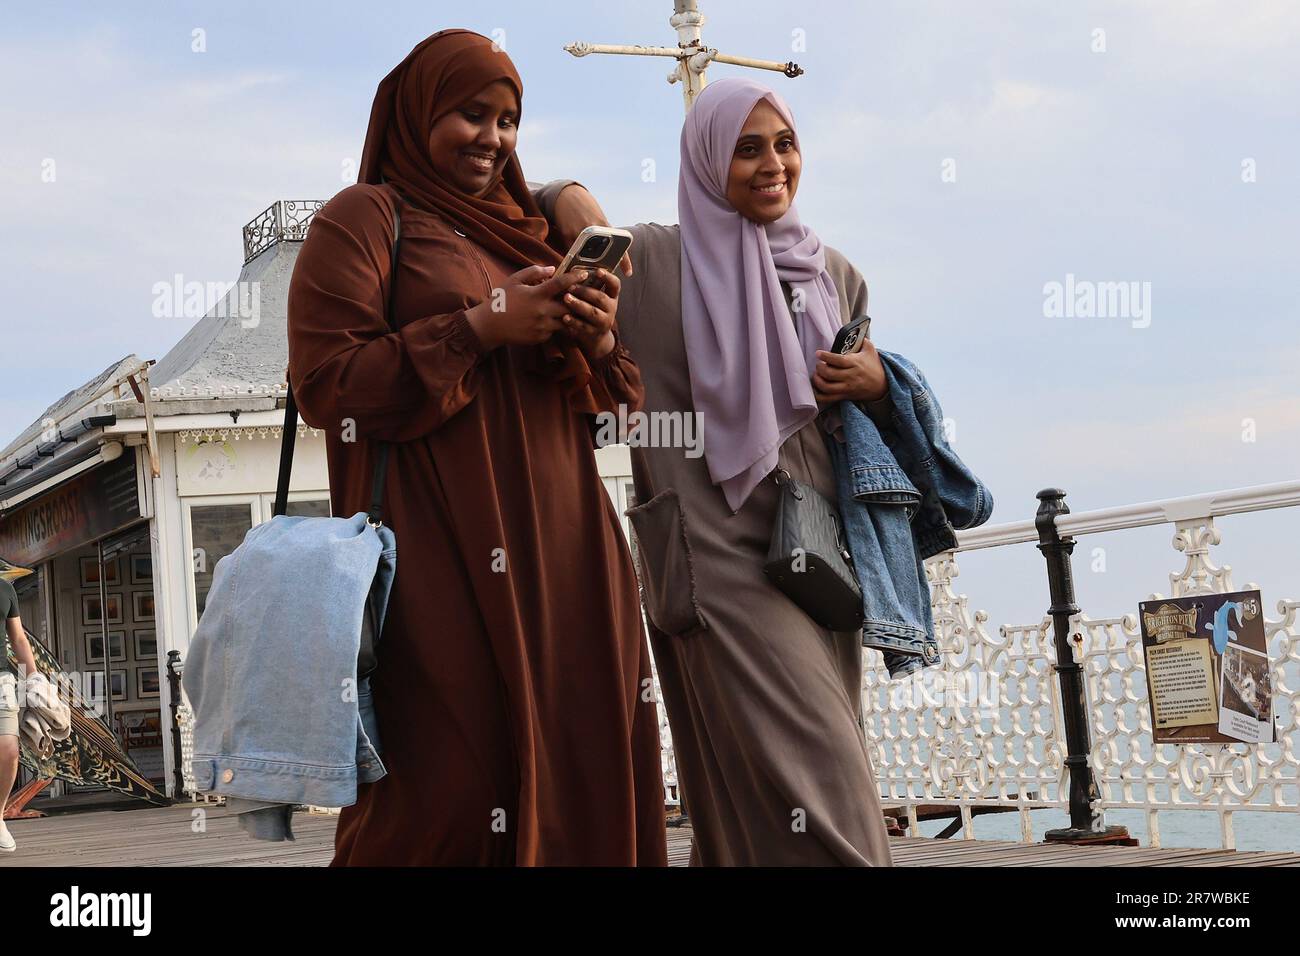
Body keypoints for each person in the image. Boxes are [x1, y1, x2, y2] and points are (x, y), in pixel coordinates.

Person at [287, 29, 667, 866]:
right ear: (418, 114)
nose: (492, 139)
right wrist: (480, 327)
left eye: (508, 120)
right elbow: (327, 383)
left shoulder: (529, 232)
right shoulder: (363, 219)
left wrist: (599, 344)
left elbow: (618, 421)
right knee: (449, 790)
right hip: (436, 562)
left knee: (586, 766)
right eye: (470, 114)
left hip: (569, 559)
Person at [543, 77, 895, 865]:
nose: (773, 165)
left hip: (818, 558)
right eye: (746, 149)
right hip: (714, 558)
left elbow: (864, 431)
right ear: (705, 160)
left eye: (784, 144)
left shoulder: (832, 276)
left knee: (743, 795)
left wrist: (877, 384)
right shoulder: (654, 264)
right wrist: (570, 198)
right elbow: (524, 204)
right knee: (822, 778)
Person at [0, 575, 39, 852]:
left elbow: (18, 638)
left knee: (9, 750)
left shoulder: (5, 589)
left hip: (1, 680)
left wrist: (34, 678)